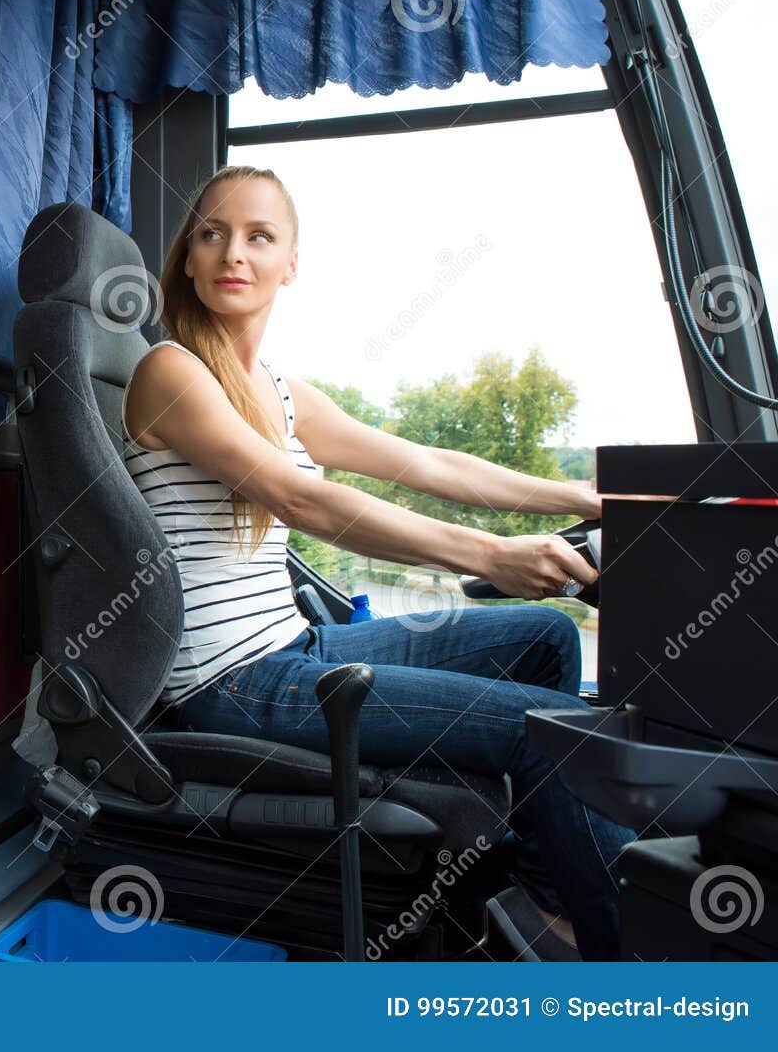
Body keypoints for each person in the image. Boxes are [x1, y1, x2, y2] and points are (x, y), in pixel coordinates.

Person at [121, 164, 634, 960]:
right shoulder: (170, 371)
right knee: (555, 735)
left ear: (291, 263)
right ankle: (625, 969)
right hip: (234, 684)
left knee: (547, 640)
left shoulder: (280, 391)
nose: (234, 254)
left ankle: (546, 881)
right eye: (213, 234)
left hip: (295, 649)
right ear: (187, 258)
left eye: (260, 237)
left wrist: (584, 497)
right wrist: (489, 555)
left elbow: (427, 463)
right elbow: (305, 503)